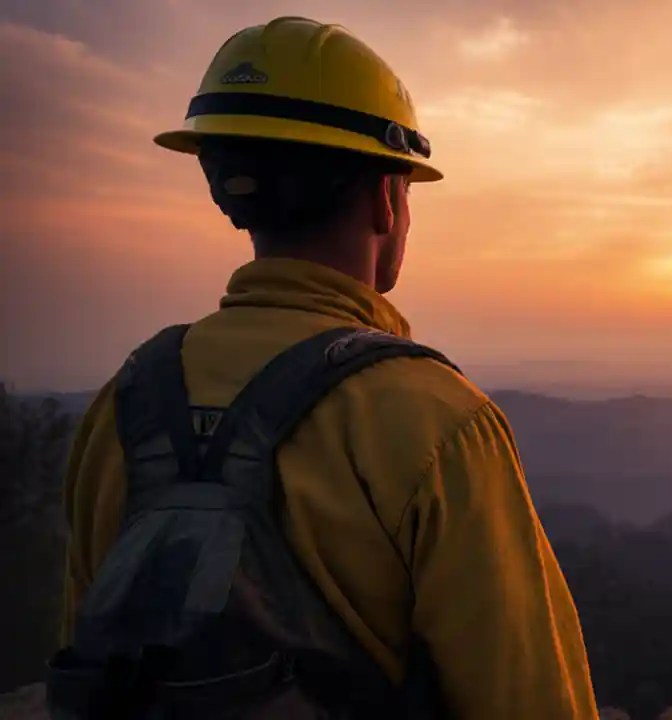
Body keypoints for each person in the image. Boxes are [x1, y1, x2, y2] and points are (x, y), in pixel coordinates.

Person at [51, 16, 597, 719]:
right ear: (385, 198)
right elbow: (531, 700)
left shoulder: (122, 405)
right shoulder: (440, 422)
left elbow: (82, 663)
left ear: (227, 191)